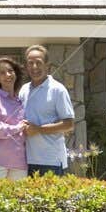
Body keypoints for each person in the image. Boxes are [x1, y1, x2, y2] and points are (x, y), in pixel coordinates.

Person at [17, 44, 75, 177]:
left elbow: (69, 124)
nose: (34, 67)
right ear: (26, 66)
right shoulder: (24, 90)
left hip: (51, 161)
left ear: (47, 65)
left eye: (38, 63)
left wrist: (38, 129)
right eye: (30, 63)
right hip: (27, 160)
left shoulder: (57, 90)